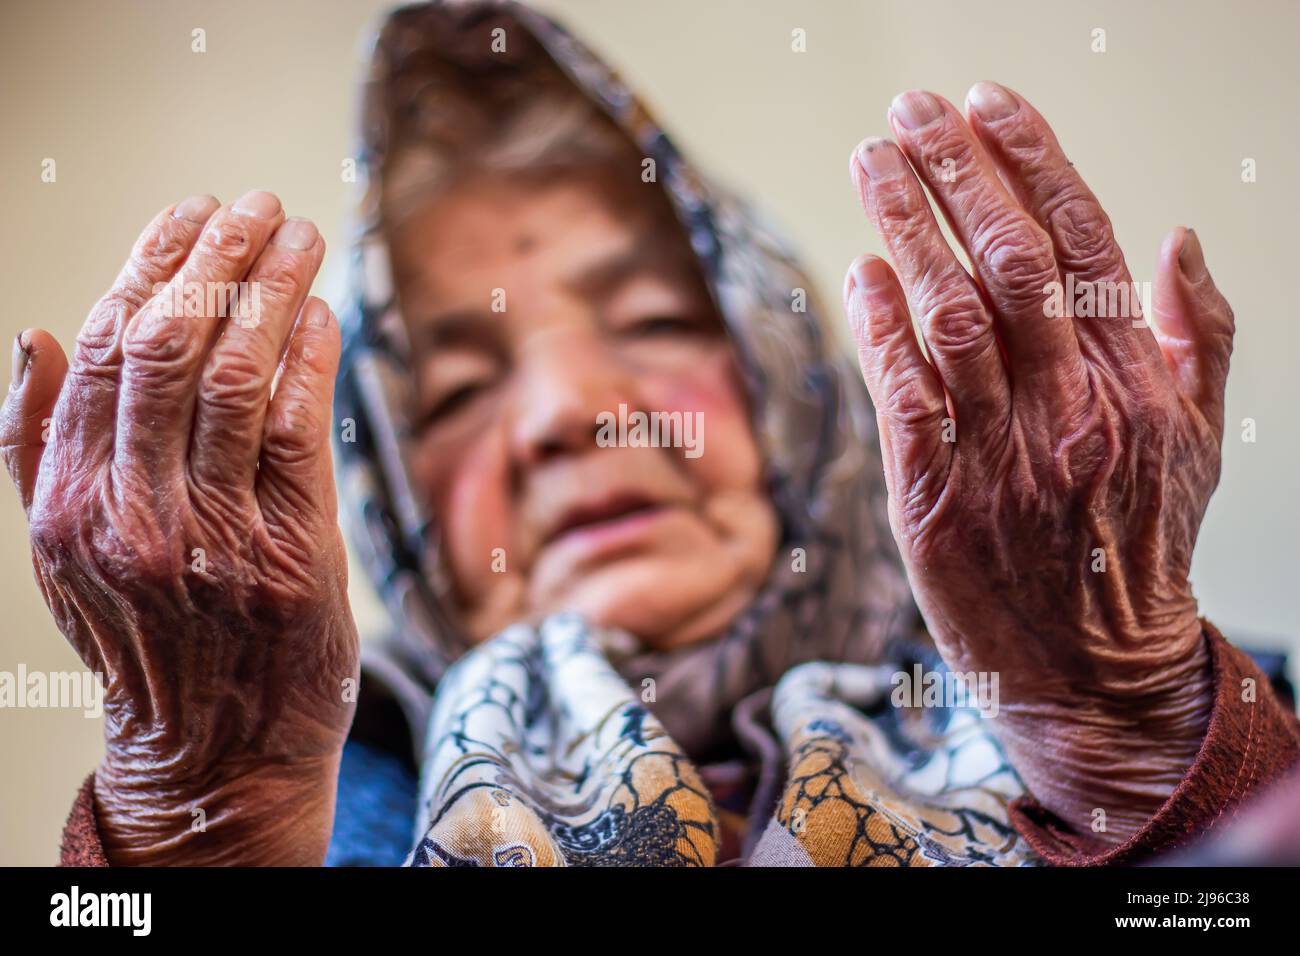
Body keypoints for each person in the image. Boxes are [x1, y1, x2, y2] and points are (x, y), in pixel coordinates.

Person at [7, 0, 1296, 867]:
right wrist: (194, 813)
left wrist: (1127, 728)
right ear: (396, 522)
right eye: (451, 397)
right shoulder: (301, 788)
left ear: (794, 382)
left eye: (653, 326)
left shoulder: (1225, 702)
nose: (573, 414)